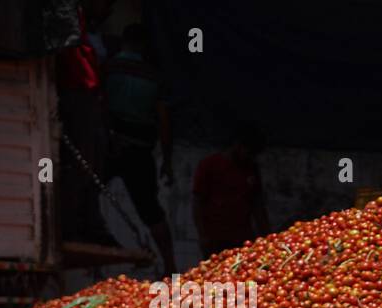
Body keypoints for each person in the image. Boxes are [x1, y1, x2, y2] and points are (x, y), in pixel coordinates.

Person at [104, 23, 176, 274]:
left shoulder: (108, 68)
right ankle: (170, 265)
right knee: (151, 210)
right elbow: (164, 122)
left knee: (85, 193)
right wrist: (167, 160)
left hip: (108, 146)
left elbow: (96, 104)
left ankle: (91, 233)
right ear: (145, 46)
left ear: (124, 42)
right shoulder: (154, 77)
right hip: (139, 152)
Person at [56, 2, 112, 245]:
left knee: (93, 162)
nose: (107, 9)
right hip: (76, 93)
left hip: (86, 96)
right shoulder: (67, 14)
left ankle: (89, 223)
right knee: (81, 162)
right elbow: (73, 62)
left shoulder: (86, 29)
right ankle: (73, 226)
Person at [192, 123, 269, 258]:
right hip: (215, 237)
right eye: (249, 152)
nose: (250, 157)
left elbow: (257, 205)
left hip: (242, 238)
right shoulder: (209, 165)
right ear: (238, 145)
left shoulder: (252, 169)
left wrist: (267, 237)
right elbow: (197, 202)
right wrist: (202, 235)